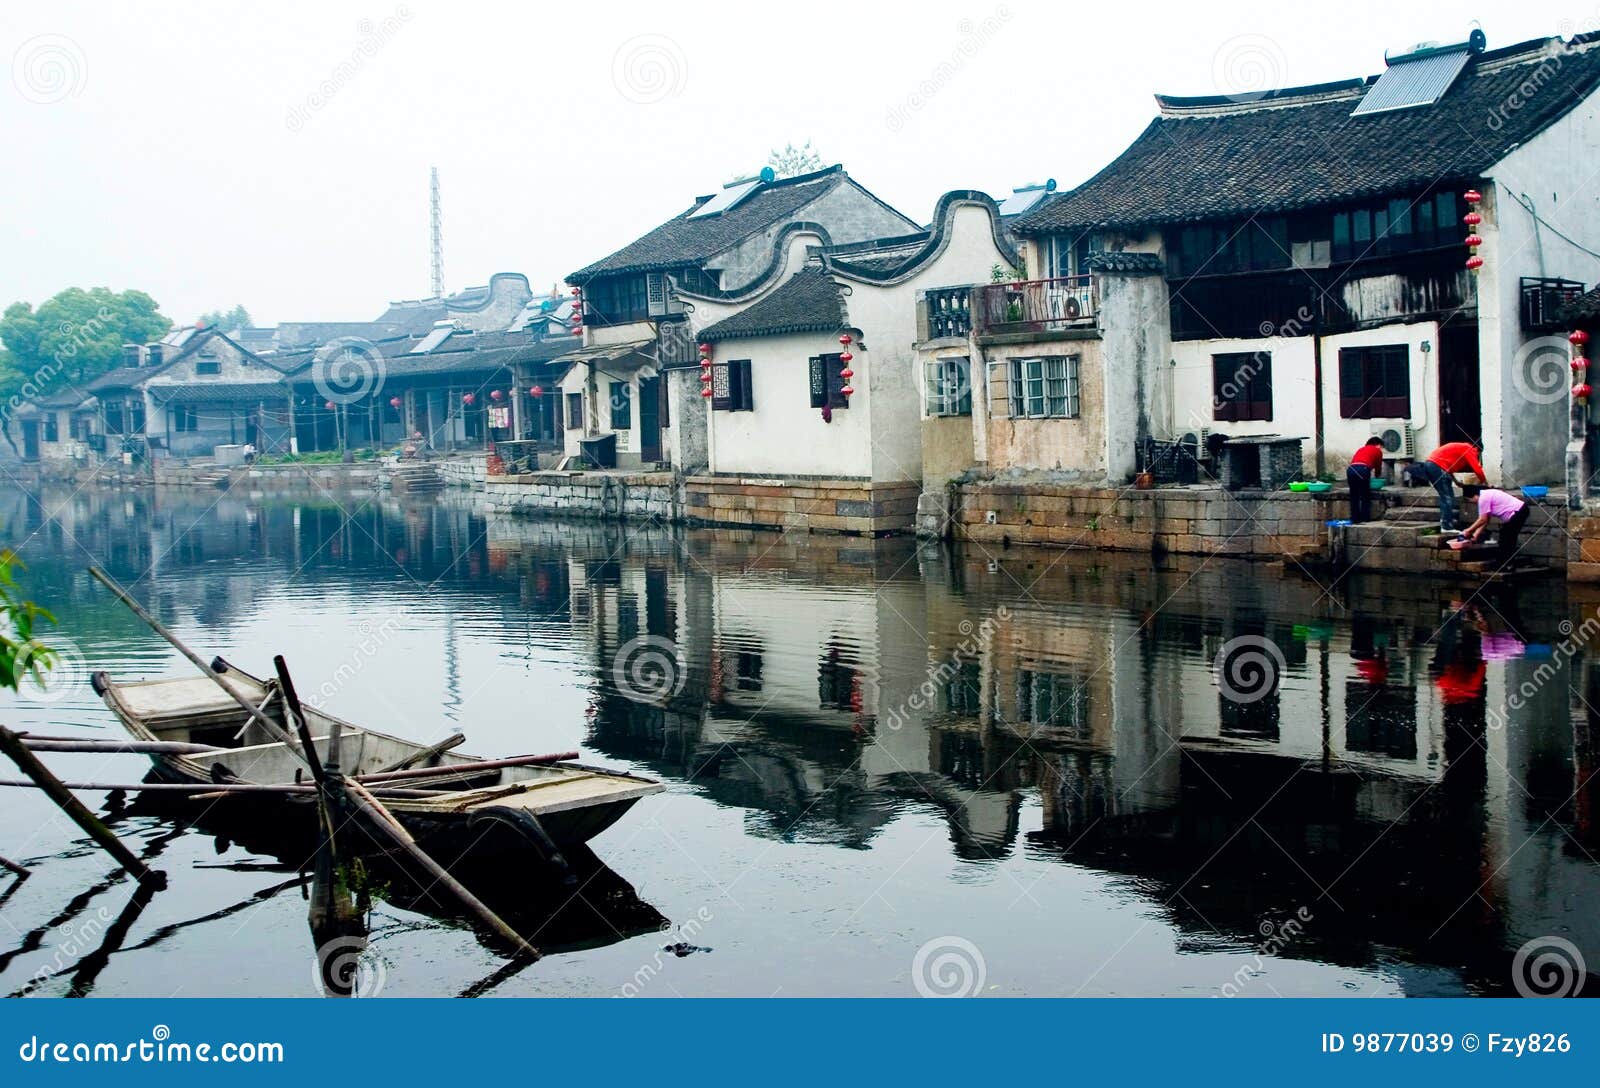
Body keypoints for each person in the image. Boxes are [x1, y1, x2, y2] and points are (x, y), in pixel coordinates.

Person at [1410, 441, 1488, 532]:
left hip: (1432, 465)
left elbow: (1449, 468)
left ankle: (1445, 520)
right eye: (1478, 455)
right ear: (1478, 450)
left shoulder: (1462, 448)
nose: (1477, 456)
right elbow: (1477, 469)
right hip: (1437, 467)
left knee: (1447, 496)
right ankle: (1446, 526)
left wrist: (1456, 482)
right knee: (1447, 497)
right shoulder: (1470, 449)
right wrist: (1485, 483)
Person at [1461, 485, 1531, 567]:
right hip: (1521, 510)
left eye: (1471, 500)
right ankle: (1506, 563)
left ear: (1475, 496)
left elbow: (1482, 519)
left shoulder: (1483, 498)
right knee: (1507, 536)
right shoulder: (1486, 494)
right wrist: (1475, 535)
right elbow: (1486, 520)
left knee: (1506, 537)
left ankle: (1505, 564)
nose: (1474, 502)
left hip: (1518, 511)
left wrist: (1468, 530)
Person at [1347, 436, 1384, 523]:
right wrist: (1377, 477)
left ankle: (1355, 518)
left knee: (1354, 495)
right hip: (1363, 469)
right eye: (1382, 447)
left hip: (1351, 470)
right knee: (1364, 494)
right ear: (1378, 445)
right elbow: (1378, 466)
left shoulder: (1361, 449)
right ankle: (1365, 518)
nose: (1382, 449)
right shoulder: (1377, 450)